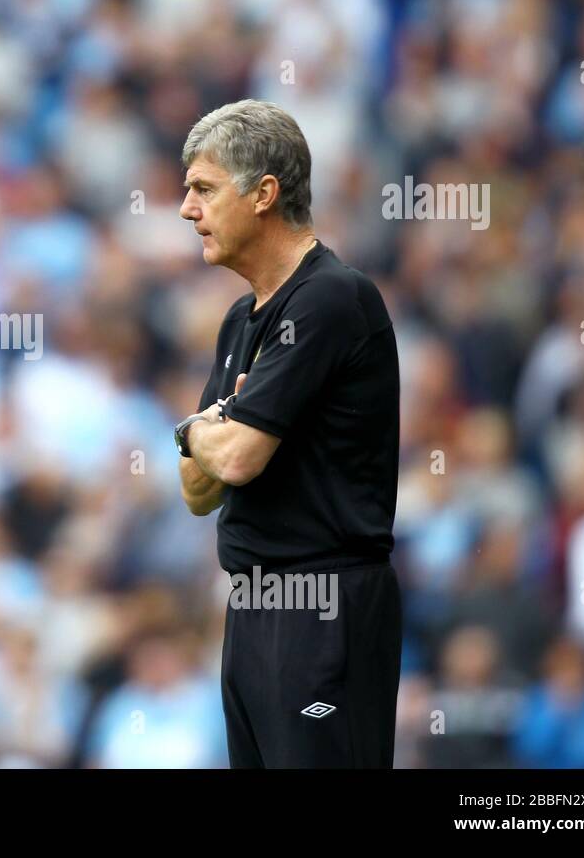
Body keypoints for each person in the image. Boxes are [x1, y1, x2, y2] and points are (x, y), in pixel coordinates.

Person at [172, 99, 402, 768]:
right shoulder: (241, 320)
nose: (188, 209)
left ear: (265, 193)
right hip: (251, 607)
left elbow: (236, 458)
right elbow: (196, 489)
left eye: (203, 189)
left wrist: (198, 428)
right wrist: (205, 433)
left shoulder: (333, 297)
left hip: (324, 606)